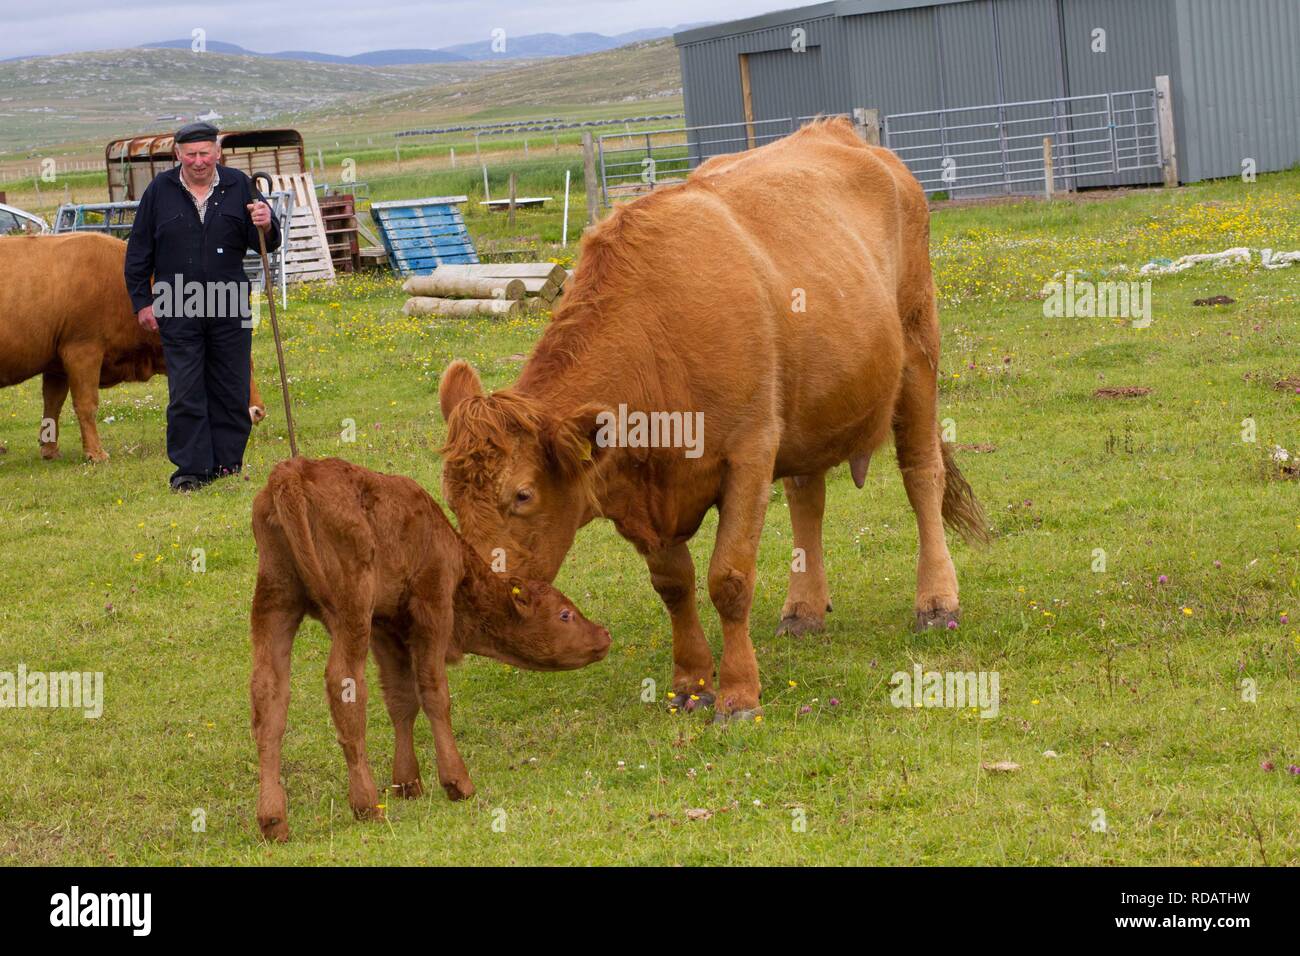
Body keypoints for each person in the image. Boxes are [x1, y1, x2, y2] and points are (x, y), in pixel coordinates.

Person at [124, 121, 280, 492]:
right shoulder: (159, 191)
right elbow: (139, 251)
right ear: (178, 154)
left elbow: (265, 243)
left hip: (228, 299)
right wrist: (142, 302)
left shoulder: (239, 185)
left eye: (204, 153)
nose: (198, 161)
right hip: (176, 300)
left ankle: (227, 464)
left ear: (217, 152)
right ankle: (191, 471)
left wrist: (267, 223)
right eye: (190, 154)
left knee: (232, 384)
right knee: (186, 387)